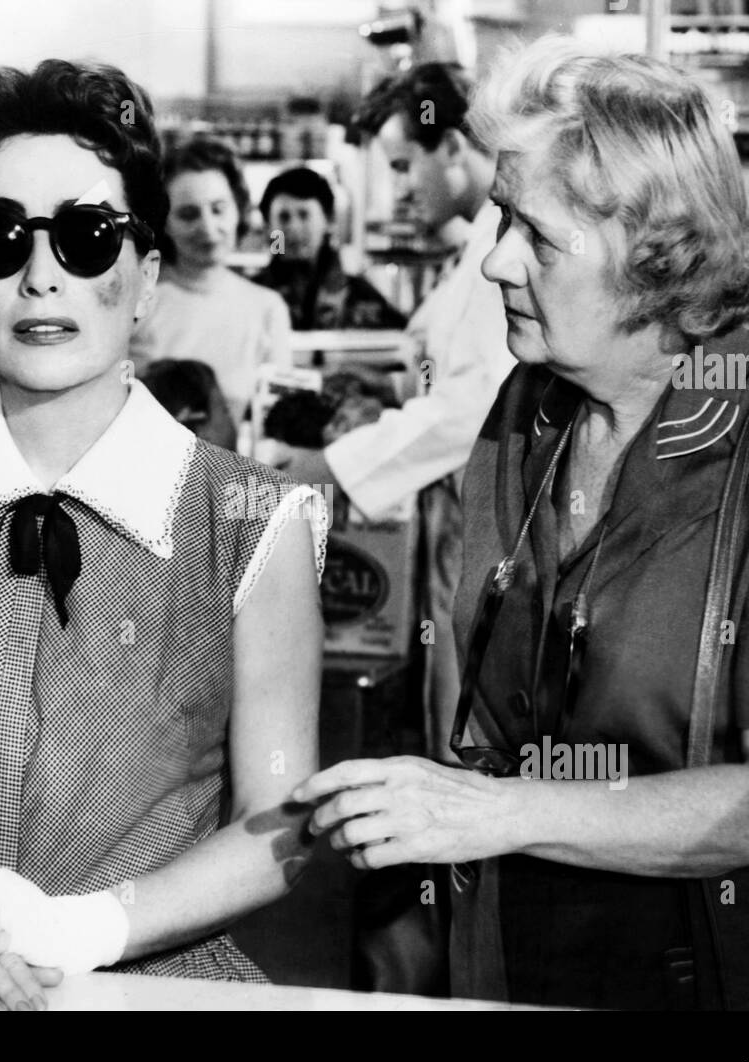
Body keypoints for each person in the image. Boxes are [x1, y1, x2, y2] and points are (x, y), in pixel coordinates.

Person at [295, 37, 749, 1011]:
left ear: (653, 252)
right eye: (500, 218)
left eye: (535, 236)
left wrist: (492, 813)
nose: (497, 261)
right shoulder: (525, 416)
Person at [0, 59, 328, 1012]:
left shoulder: (250, 522)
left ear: (146, 274)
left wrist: (77, 930)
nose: (40, 276)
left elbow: (279, 824)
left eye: (85, 237)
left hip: (156, 995)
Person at [282, 62, 517, 763]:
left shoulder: (501, 245)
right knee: (451, 709)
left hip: (488, 520)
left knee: (472, 725)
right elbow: (442, 364)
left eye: (404, 165)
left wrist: (329, 464)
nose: (402, 188)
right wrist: (382, 387)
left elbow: (472, 403)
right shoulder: (476, 242)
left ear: (454, 147)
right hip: (458, 520)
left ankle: (460, 865)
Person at [128, 137, 291, 429]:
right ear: (164, 222)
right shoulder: (138, 303)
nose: (207, 227)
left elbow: (278, 421)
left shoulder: (267, 308)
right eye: (188, 214)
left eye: (218, 209)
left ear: (238, 210)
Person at [252, 166, 405, 331]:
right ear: (268, 228)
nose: (293, 228)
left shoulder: (360, 295)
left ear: (329, 221)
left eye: (304, 215)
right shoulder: (251, 296)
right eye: (283, 217)